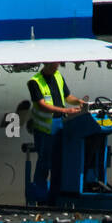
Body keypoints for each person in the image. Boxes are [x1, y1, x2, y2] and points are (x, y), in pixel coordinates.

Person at [27, 62, 86, 201]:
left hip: (60, 124)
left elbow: (67, 96)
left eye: (57, 66)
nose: (56, 69)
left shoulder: (58, 75)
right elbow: (42, 105)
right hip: (45, 128)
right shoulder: (34, 82)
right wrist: (66, 110)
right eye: (53, 66)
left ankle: (55, 195)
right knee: (44, 162)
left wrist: (79, 102)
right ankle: (40, 195)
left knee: (59, 162)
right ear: (46, 65)